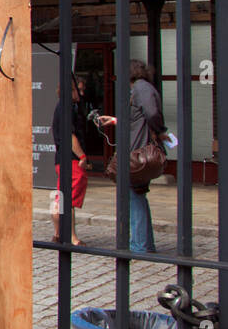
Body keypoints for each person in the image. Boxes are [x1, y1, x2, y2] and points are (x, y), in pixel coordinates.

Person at [97, 59, 167, 253]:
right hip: (137, 149)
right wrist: (115, 120)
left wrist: (160, 130)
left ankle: (139, 245)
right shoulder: (141, 89)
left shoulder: (141, 88)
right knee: (137, 195)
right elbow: (138, 117)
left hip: (137, 152)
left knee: (134, 196)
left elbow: (151, 114)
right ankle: (144, 243)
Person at [50, 76, 88, 245]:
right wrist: (82, 156)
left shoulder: (61, 107)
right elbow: (70, 135)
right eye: (78, 89)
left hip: (60, 158)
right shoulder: (67, 108)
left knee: (60, 197)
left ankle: (58, 233)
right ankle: (71, 237)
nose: (81, 93)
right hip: (70, 159)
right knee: (69, 200)